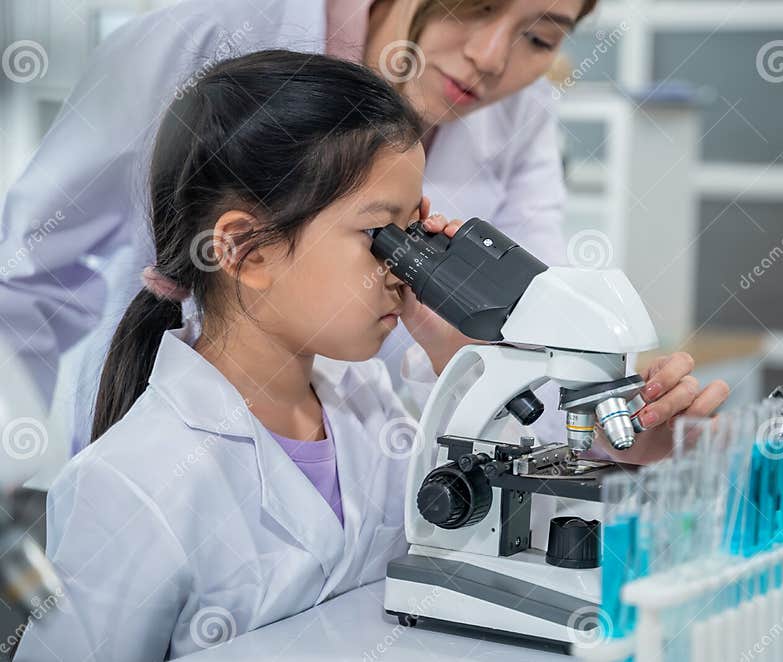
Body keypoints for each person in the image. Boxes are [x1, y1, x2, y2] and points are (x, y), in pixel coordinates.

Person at [14, 51, 725, 661]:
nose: (404, 267)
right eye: (380, 235)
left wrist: (622, 443)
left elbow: (495, 545)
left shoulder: (371, 409)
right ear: (246, 250)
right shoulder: (126, 487)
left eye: (414, 233)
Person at [0, 0, 613, 456]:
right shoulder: (207, 35)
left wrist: (610, 418)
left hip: (350, 454)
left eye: (539, 37)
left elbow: (537, 322)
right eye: (475, 4)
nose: (492, 57)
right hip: (163, 438)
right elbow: (27, 276)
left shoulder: (520, 115)